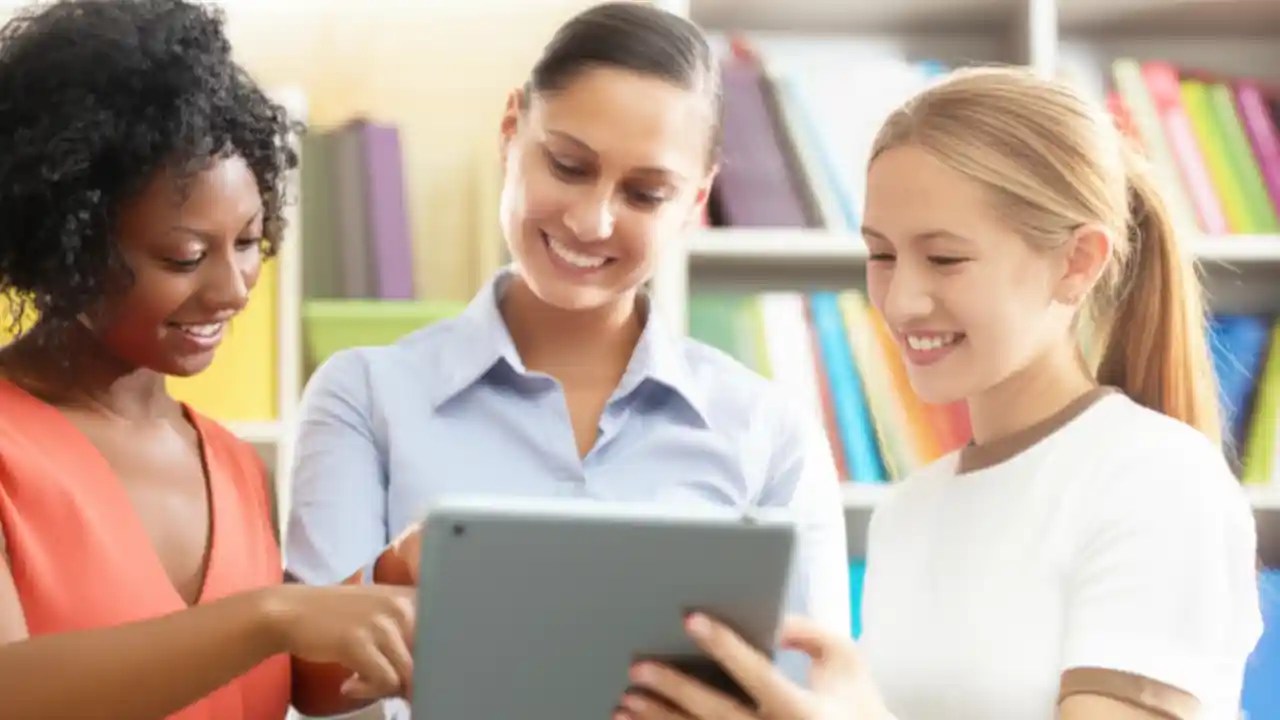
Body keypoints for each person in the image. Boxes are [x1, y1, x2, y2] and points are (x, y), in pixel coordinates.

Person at [617, 67, 1264, 719]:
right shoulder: (908, 514)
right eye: (882, 256)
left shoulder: (1155, 479)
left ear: (1078, 262)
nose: (900, 301)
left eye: (946, 259)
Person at [284, 1, 850, 714]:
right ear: (511, 130)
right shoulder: (365, 395)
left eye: (646, 193)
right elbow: (305, 689)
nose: (592, 220)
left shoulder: (772, 432)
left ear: (694, 201)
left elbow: (819, 696)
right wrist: (401, 568)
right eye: (569, 165)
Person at [0, 1, 420, 718]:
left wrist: (390, 586)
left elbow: (272, 681)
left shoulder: (233, 465)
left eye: (250, 242)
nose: (231, 289)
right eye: (185, 256)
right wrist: (273, 614)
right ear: (66, 242)